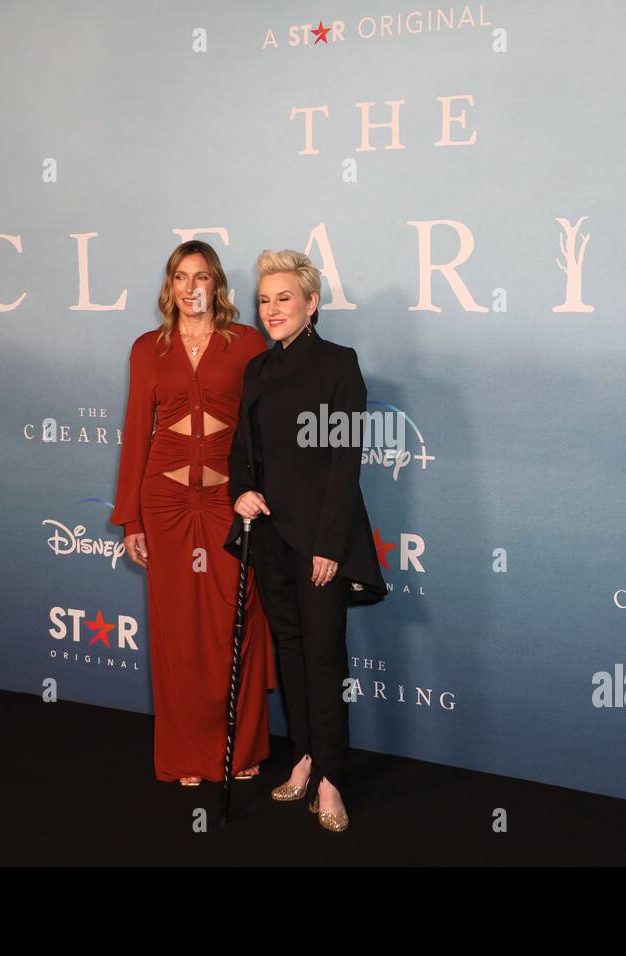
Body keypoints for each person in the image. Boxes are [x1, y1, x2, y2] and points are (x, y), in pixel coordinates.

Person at [226, 249, 386, 832]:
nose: (272, 309)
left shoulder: (339, 365)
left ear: (312, 303)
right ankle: (305, 757)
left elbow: (347, 464)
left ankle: (333, 778)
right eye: (265, 300)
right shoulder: (258, 371)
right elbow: (242, 452)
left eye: (284, 298)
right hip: (267, 534)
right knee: (290, 651)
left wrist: (330, 545)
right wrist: (240, 491)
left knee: (322, 655)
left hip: (321, 540)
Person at [112, 240, 274, 786]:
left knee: (238, 621)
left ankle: (241, 747)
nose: (189, 287)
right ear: (170, 286)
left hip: (231, 505)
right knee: (178, 632)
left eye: (200, 277)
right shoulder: (146, 349)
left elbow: (264, 432)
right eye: (180, 277)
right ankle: (187, 755)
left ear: (216, 284)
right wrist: (132, 519)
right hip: (166, 505)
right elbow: (137, 434)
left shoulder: (247, 344)